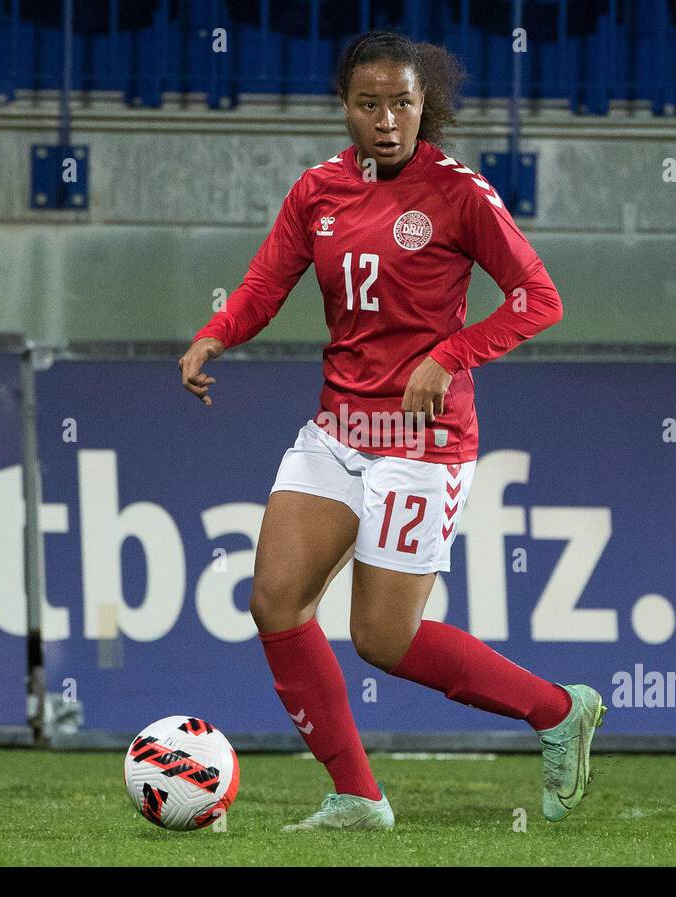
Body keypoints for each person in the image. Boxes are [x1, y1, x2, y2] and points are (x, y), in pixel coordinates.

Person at [178, 30, 604, 831]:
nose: (386, 119)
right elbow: (266, 284)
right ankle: (357, 798)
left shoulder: (460, 194)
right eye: (368, 103)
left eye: (401, 102)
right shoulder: (318, 192)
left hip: (423, 439)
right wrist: (216, 333)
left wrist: (450, 355)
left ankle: (556, 711)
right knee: (274, 601)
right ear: (345, 106)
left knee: (381, 637)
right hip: (339, 427)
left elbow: (537, 298)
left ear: (424, 104)